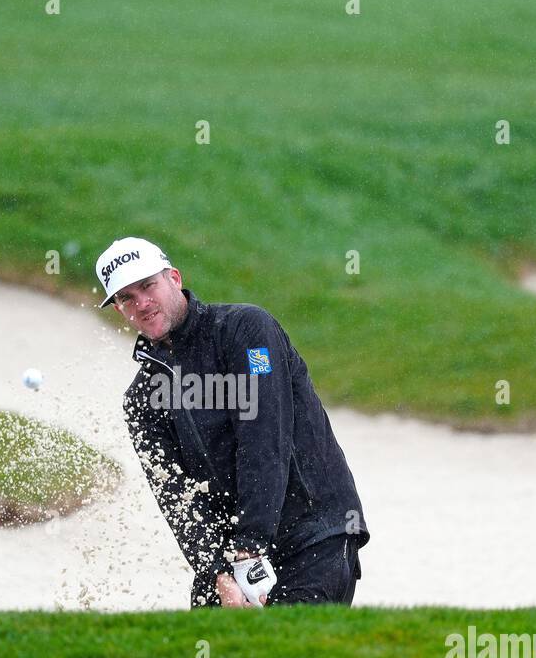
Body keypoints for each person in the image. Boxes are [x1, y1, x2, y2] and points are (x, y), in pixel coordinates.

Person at [97, 236, 369, 608]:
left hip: (312, 537)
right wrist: (216, 574)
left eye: (148, 286)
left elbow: (265, 439)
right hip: (234, 564)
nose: (142, 303)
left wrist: (249, 549)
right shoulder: (141, 401)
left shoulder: (246, 332)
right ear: (118, 310)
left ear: (174, 278)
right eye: (126, 297)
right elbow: (178, 501)